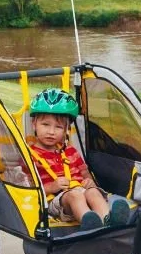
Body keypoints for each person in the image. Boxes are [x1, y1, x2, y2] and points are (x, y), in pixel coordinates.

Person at [25, 88, 132, 231]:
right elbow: (28, 190)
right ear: (34, 124)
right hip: (56, 201)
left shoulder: (70, 151)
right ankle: (89, 222)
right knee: (75, 195)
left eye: (58, 127)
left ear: (66, 130)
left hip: (80, 190)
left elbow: (85, 173)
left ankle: (107, 219)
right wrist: (52, 187)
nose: (51, 131)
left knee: (93, 192)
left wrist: (89, 182)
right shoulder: (29, 155)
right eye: (45, 125)